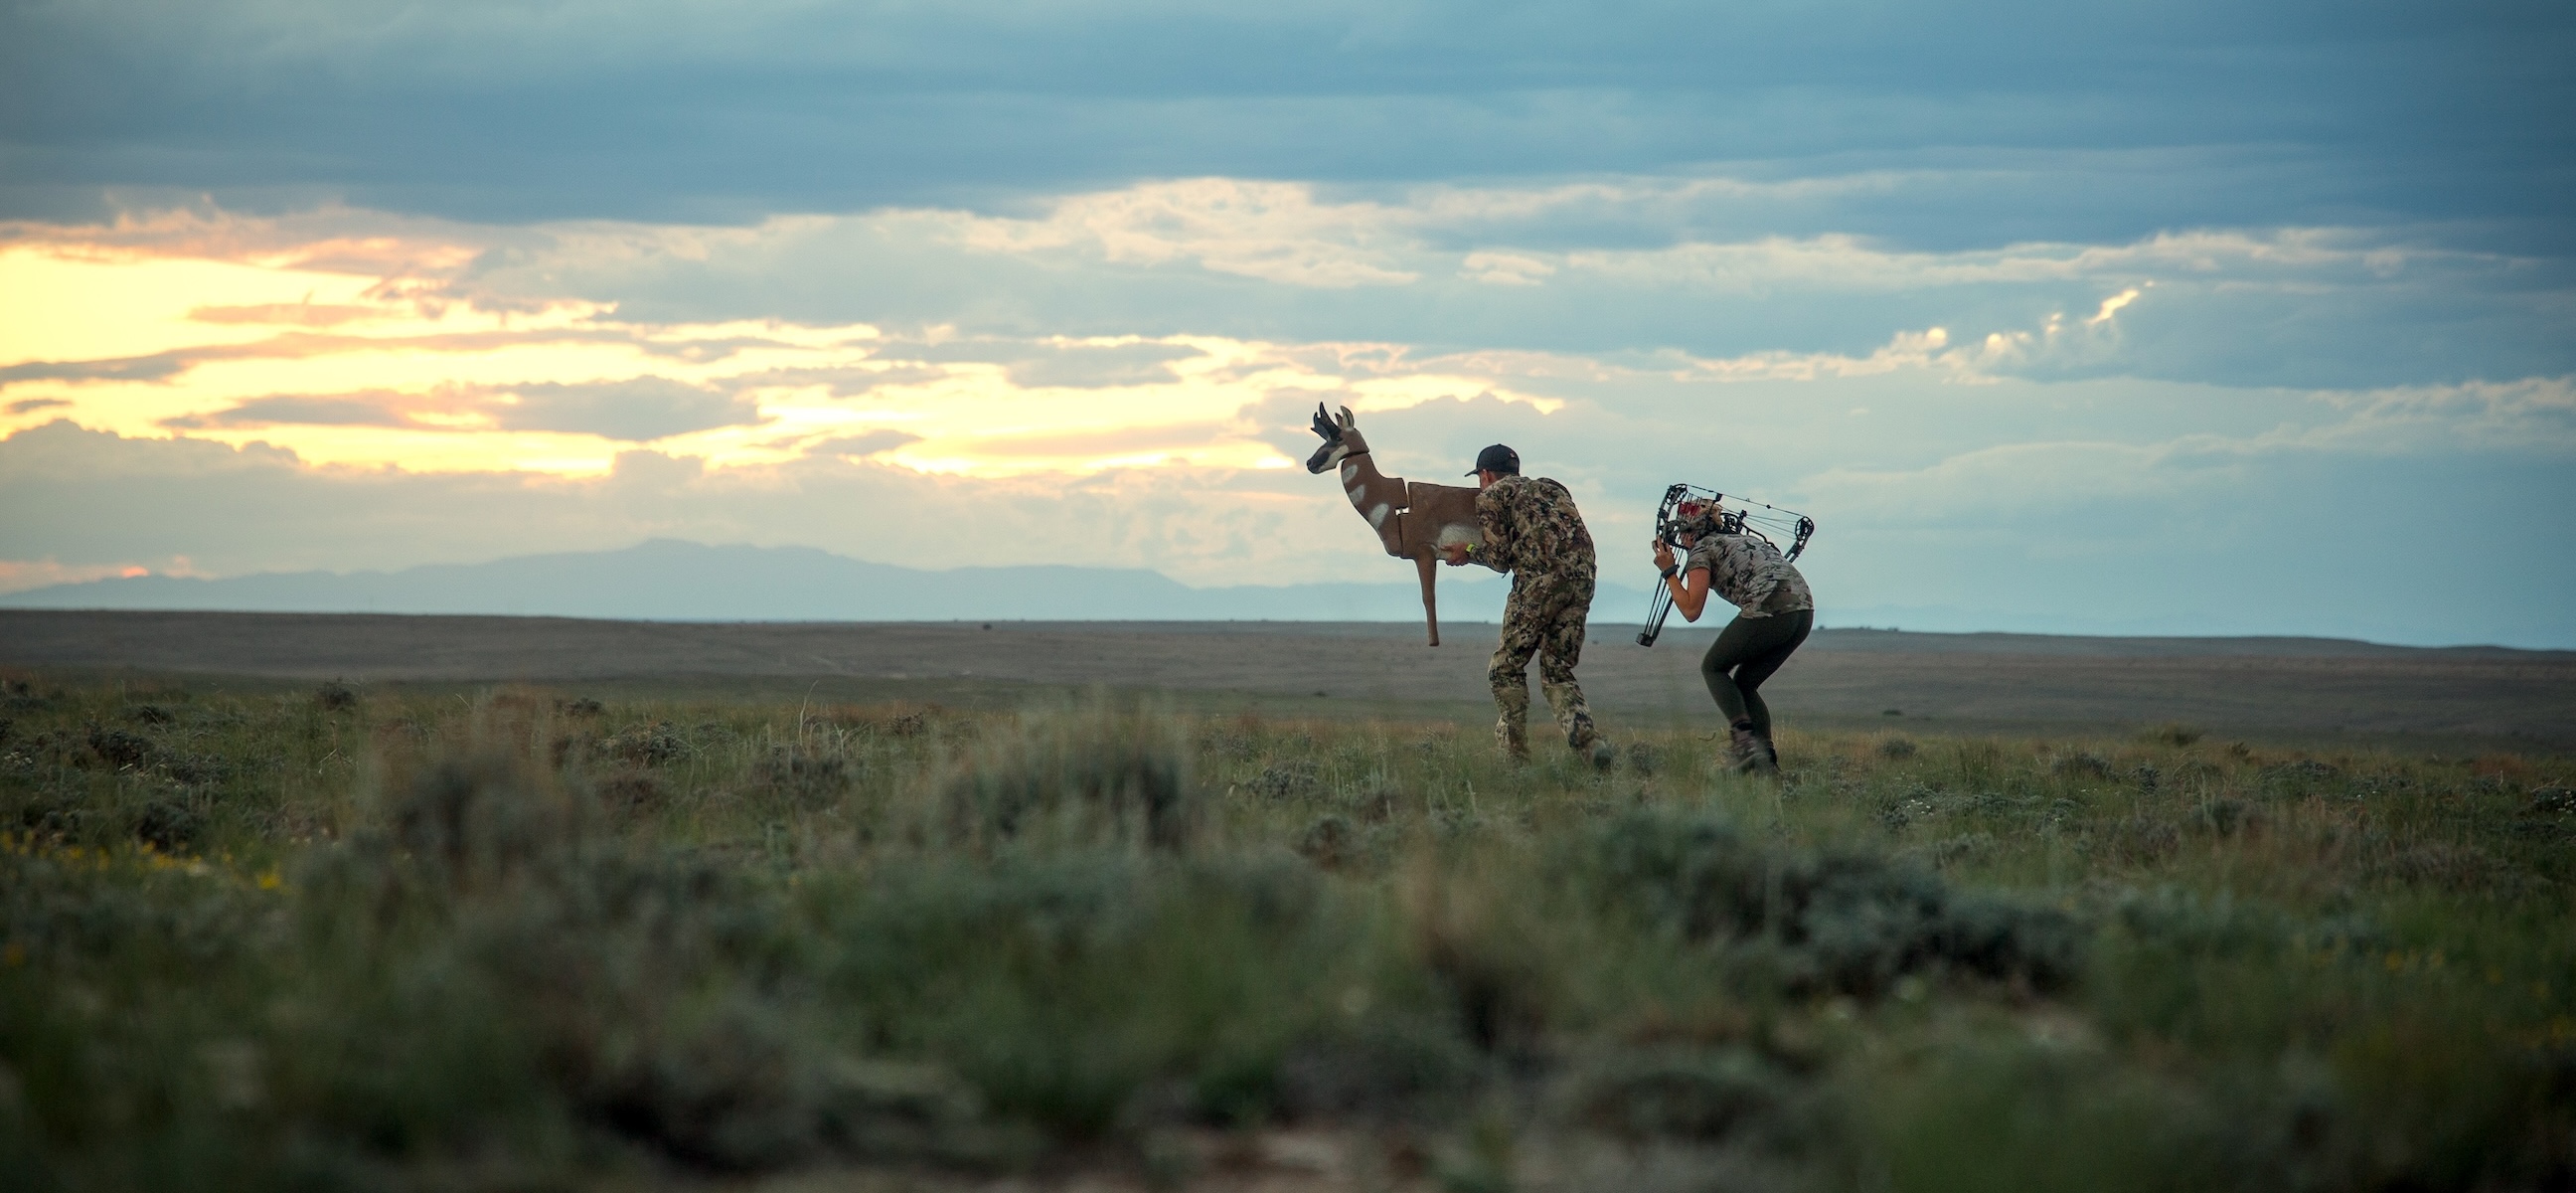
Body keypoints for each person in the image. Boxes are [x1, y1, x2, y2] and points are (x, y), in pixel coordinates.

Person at [1440, 443, 1614, 768]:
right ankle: (1590, 745)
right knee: (1557, 671)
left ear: (1486, 475)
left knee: (1504, 669)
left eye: (1480, 477)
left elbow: (1498, 559)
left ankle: (1516, 757)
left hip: (1538, 586)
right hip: (1581, 581)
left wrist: (1468, 550)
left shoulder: (1492, 496)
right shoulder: (1553, 488)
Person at [1650, 498, 1813, 774]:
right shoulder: (1739, 540)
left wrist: (1669, 571)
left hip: (1770, 606)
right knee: (1745, 684)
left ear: (1690, 531)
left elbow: (1691, 609)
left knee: (1713, 668)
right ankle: (1766, 765)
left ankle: (1745, 743)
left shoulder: (1701, 550)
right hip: (1803, 613)